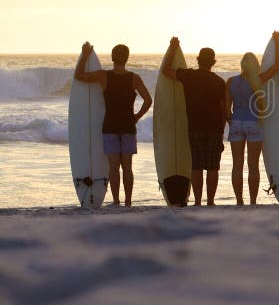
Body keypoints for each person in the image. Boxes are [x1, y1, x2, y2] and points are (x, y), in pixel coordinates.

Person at [74, 42, 152, 206]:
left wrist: (85, 55)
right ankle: (128, 201)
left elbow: (79, 75)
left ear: (112, 57)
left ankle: (116, 201)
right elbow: (148, 100)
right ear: (127, 58)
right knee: (128, 167)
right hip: (128, 126)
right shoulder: (134, 78)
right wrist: (137, 116)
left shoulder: (104, 76)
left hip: (110, 127)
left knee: (114, 167)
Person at [161, 37, 226, 206]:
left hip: (195, 127)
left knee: (196, 165)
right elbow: (224, 110)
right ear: (213, 62)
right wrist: (221, 131)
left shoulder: (188, 75)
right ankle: (210, 201)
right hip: (214, 128)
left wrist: (173, 48)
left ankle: (197, 202)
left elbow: (166, 70)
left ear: (198, 60)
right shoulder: (219, 82)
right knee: (213, 167)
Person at [226, 31, 279, 205]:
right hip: (253, 124)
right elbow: (278, 64)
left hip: (236, 123)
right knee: (253, 165)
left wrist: (232, 122)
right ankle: (252, 201)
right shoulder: (259, 79)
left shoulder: (231, 81)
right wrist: (277, 41)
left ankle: (239, 201)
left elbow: (227, 109)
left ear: (242, 65)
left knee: (237, 165)